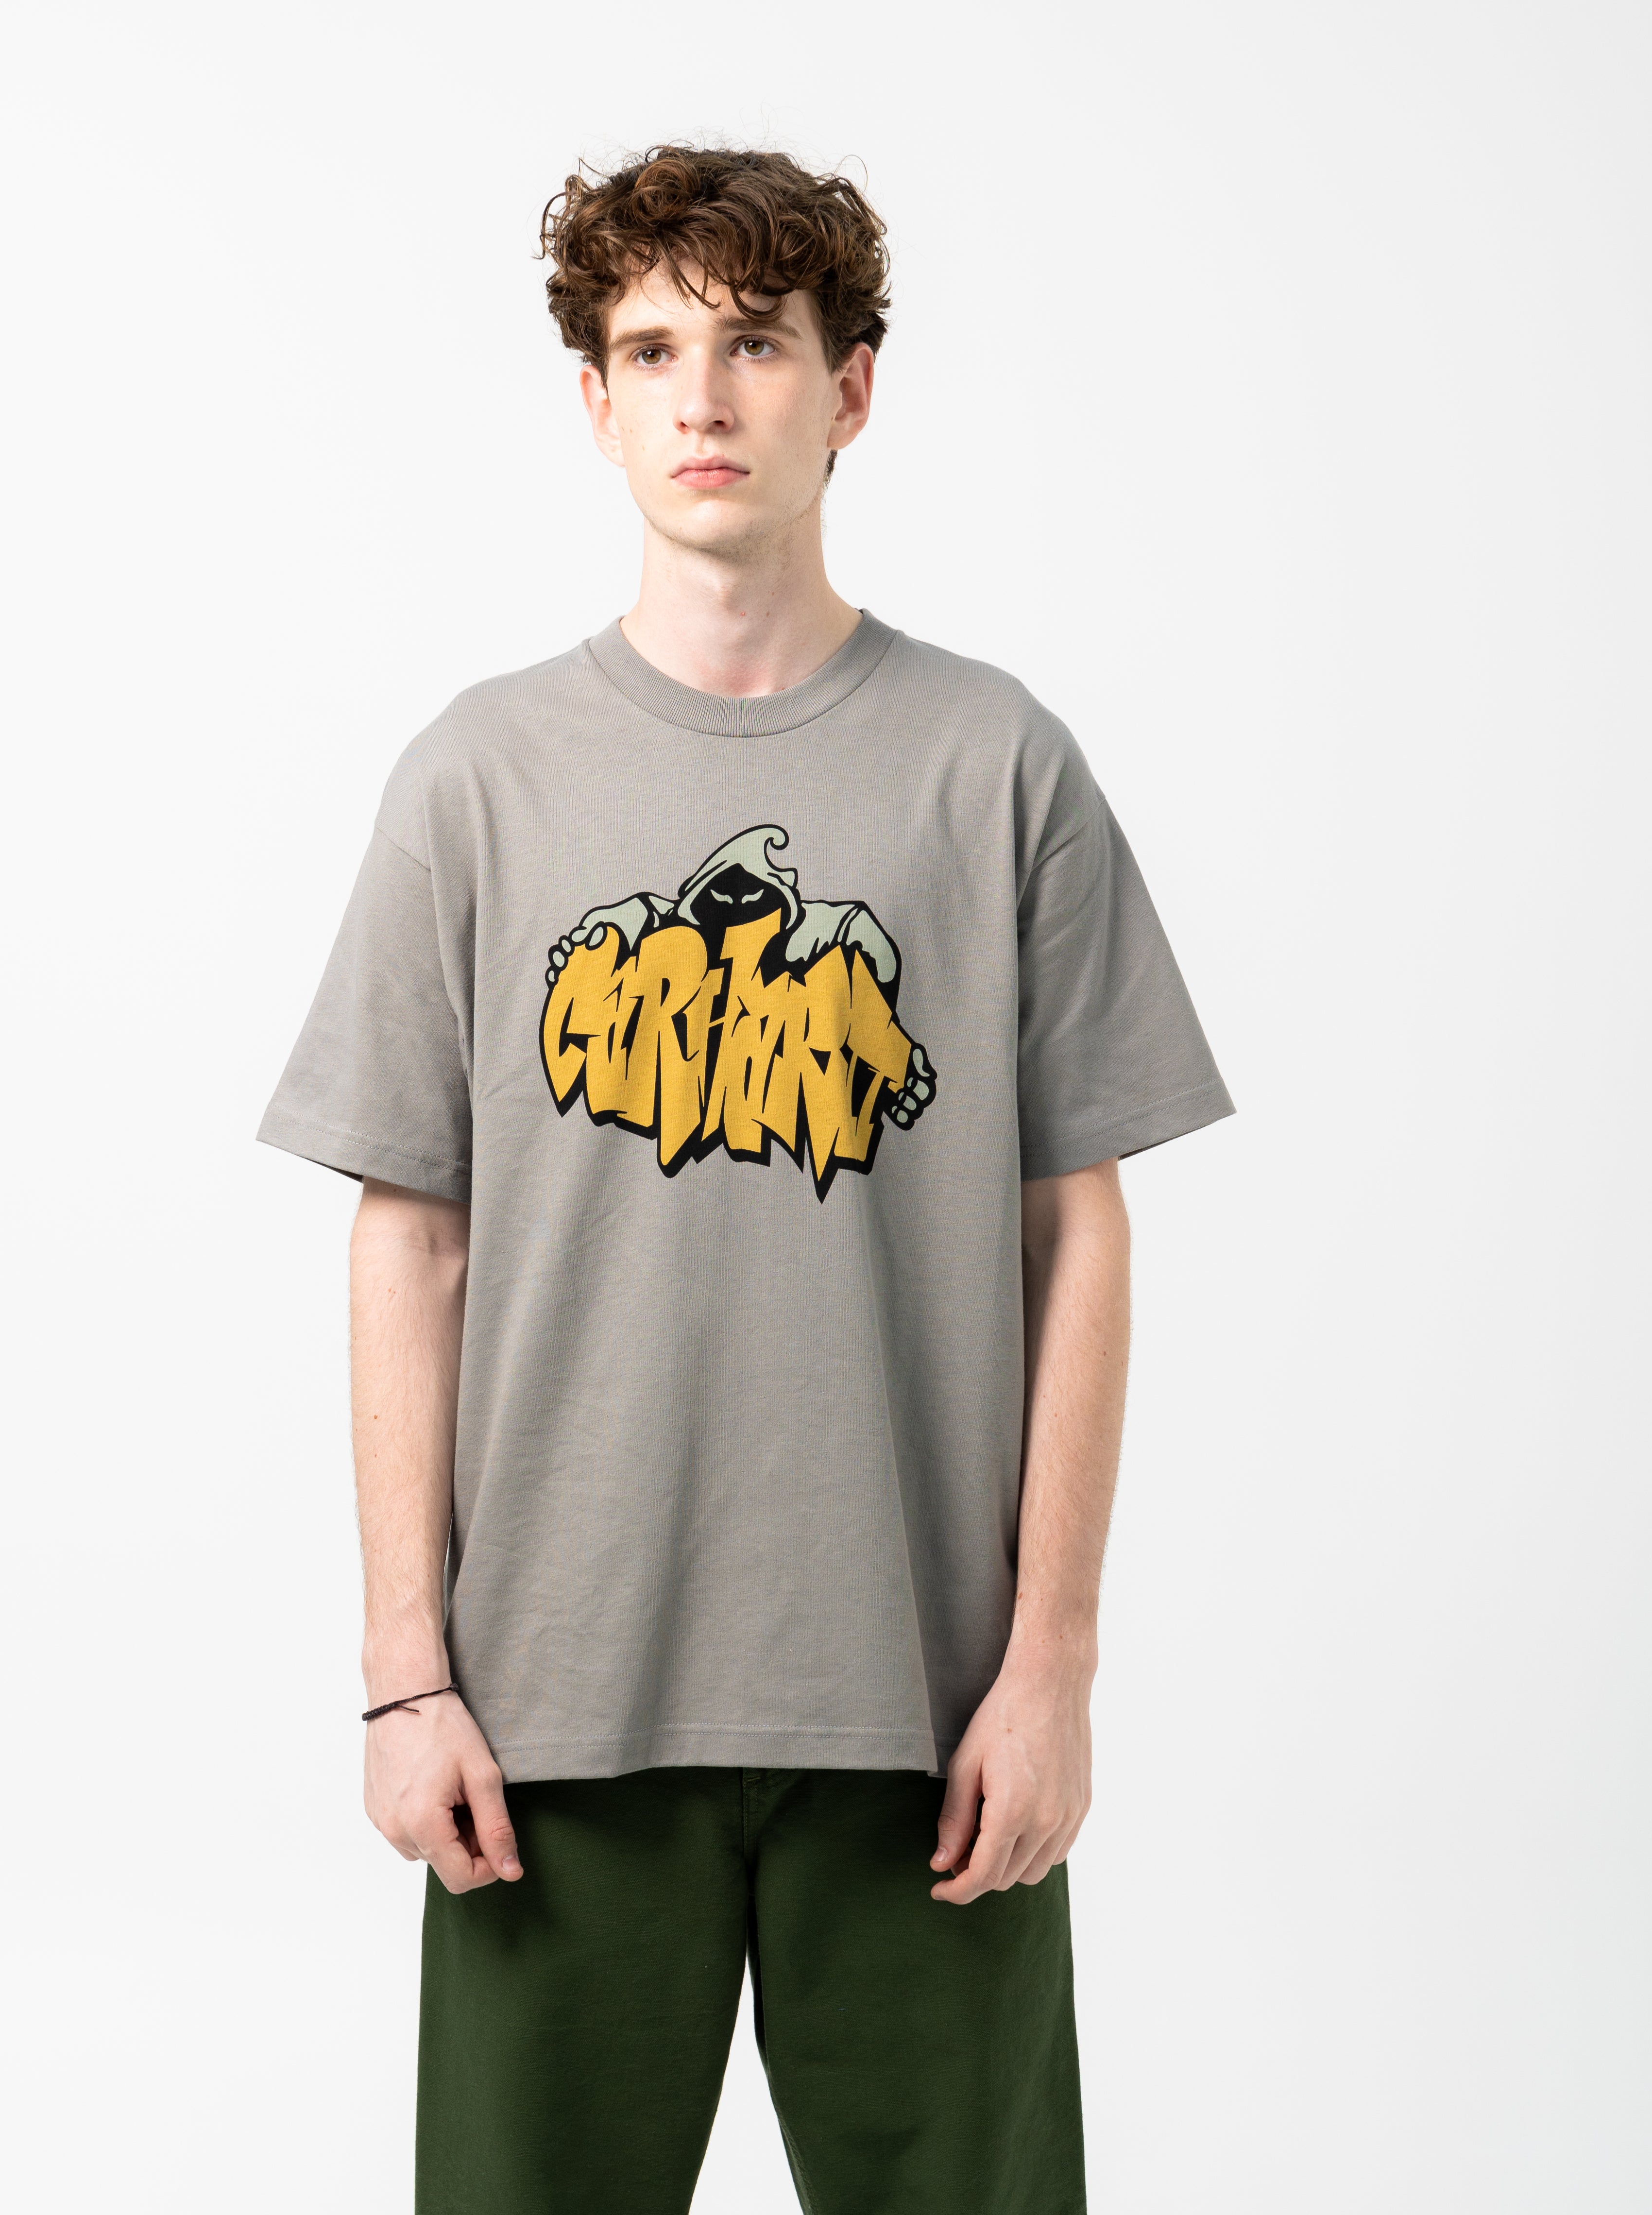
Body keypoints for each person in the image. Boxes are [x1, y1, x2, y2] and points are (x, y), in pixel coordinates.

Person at [259, 143, 1234, 2215]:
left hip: (926, 1715)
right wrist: (405, 1674)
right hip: (548, 1720)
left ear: (850, 390)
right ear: (593, 401)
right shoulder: (475, 781)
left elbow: (1077, 1232)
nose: (703, 398)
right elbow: (409, 1241)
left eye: (757, 345)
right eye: (652, 350)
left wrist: (1053, 1667)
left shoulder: (998, 767)